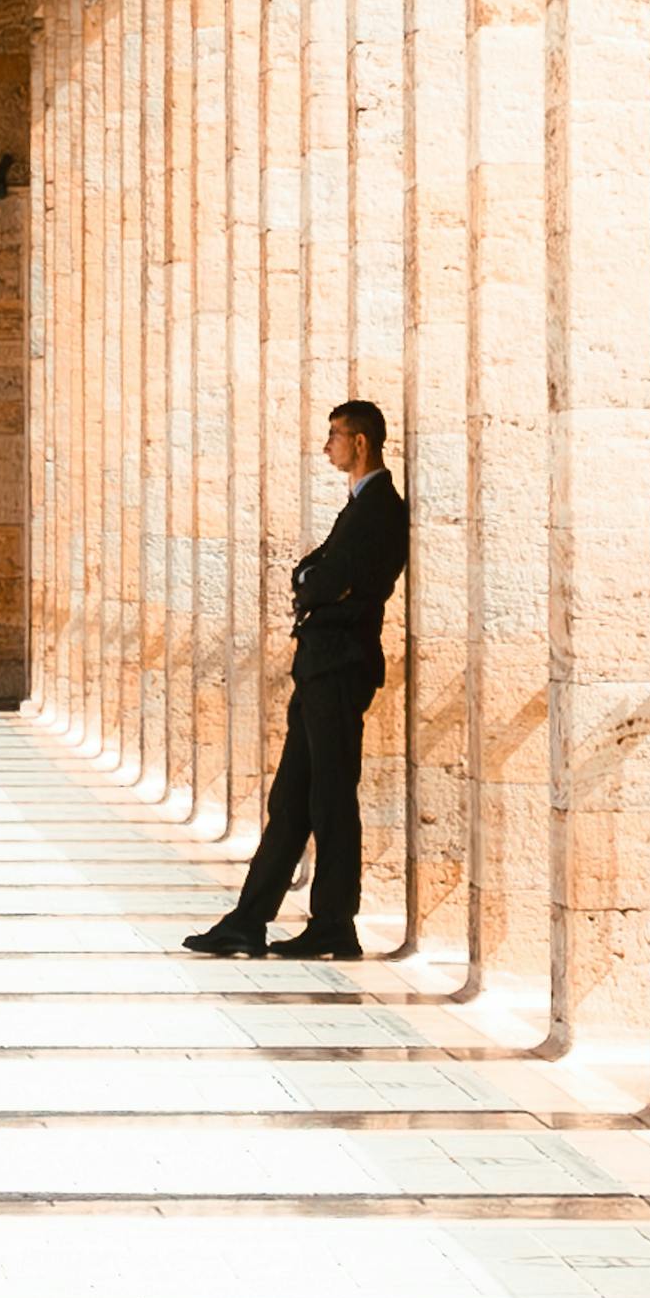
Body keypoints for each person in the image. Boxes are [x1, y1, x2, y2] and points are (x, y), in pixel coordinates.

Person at [184, 398, 409, 958]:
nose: (326, 445)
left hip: (339, 667)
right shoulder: (359, 504)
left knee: (330, 799)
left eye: (334, 435)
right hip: (319, 669)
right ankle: (248, 919)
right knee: (291, 801)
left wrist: (316, 584)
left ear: (360, 443)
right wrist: (317, 581)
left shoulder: (380, 506)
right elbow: (314, 573)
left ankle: (335, 921)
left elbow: (330, 580)